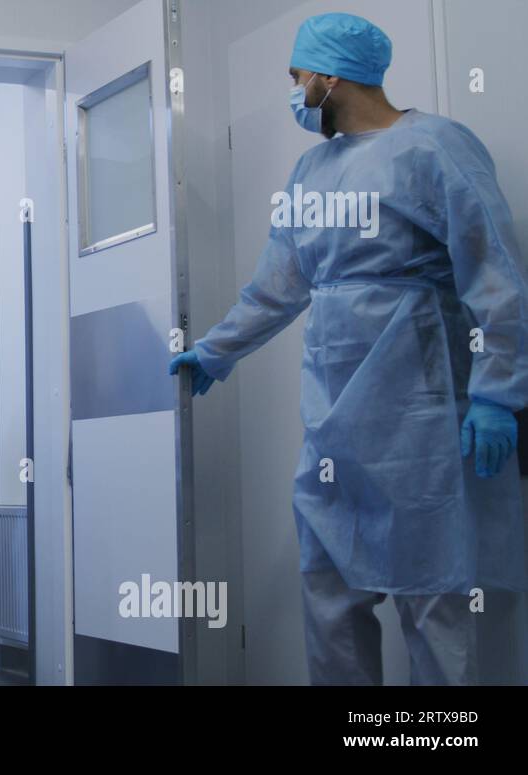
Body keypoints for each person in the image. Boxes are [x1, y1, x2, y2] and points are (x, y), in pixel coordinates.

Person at [168, 13, 528, 685]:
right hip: (333, 418)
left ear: (329, 76)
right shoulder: (311, 170)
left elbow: (495, 274)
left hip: (417, 410)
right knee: (329, 594)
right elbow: (279, 285)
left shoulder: (436, 147)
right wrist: (214, 350)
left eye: (298, 74)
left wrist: (496, 394)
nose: (295, 88)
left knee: (433, 595)